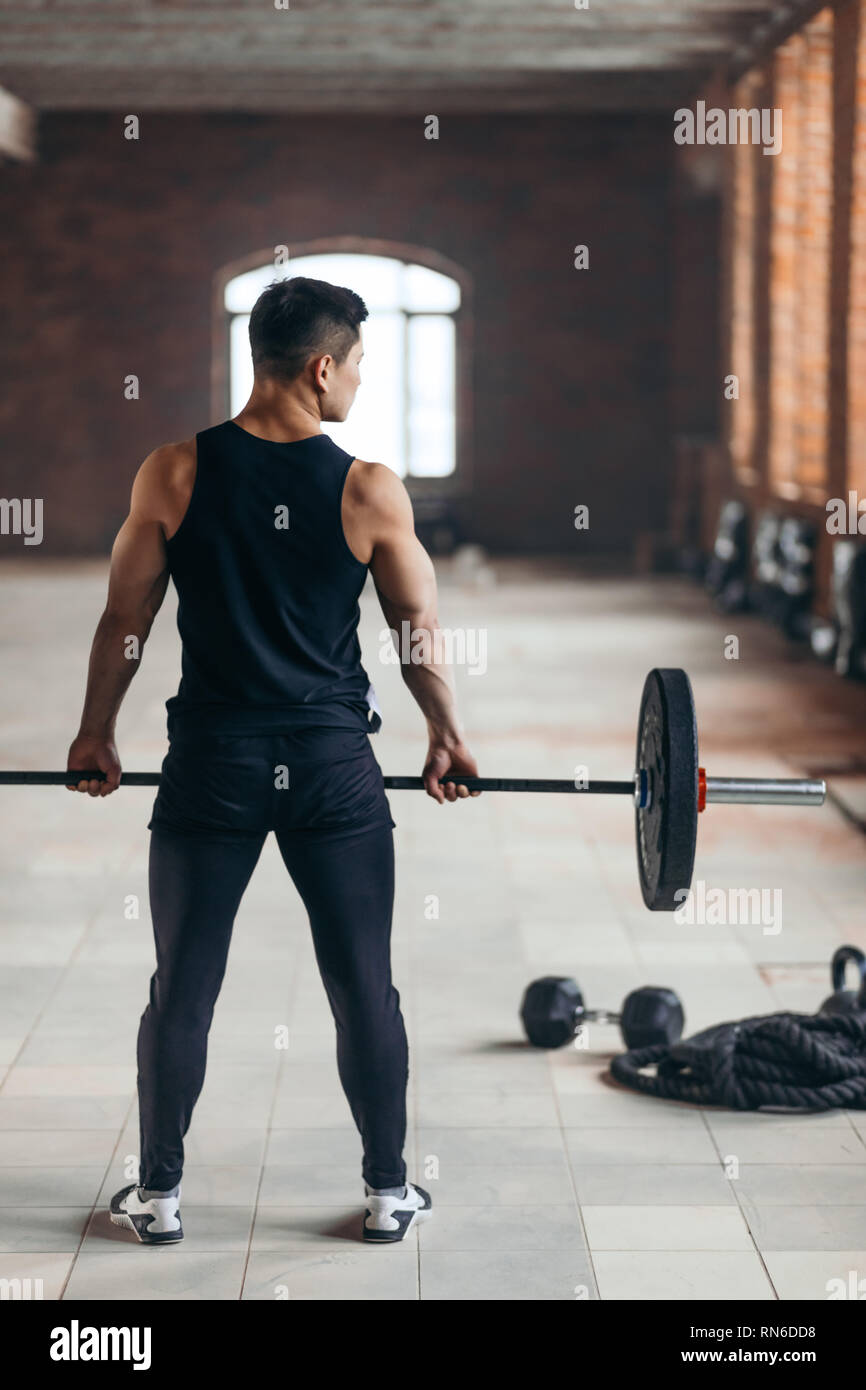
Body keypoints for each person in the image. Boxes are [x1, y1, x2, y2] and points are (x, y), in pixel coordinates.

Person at [65, 276, 480, 1245]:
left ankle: (158, 1195)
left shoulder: (170, 471)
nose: (361, 385)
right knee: (361, 983)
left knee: (183, 983)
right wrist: (444, 732)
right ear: (320, 367)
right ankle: (386, 1192)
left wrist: (97, 729)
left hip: (212, 760)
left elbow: (125, 618)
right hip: (332, 765)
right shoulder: (368, 487)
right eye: (359, 366)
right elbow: (414, 624)